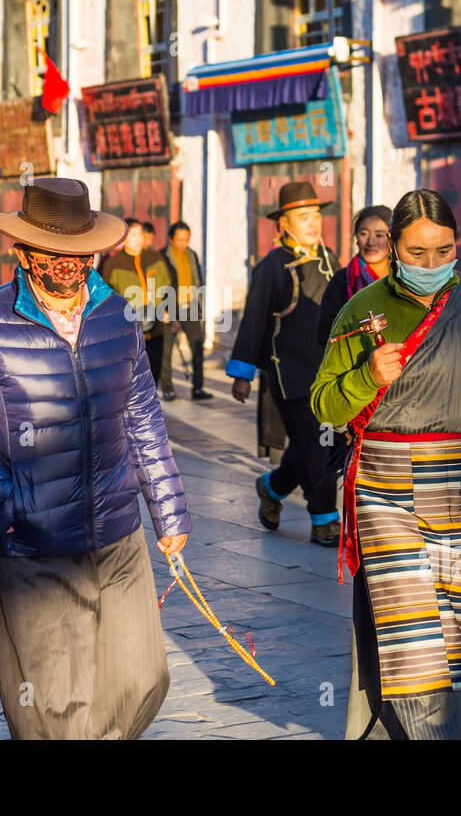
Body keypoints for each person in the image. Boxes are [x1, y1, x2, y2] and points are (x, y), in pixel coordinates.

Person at [0, 177, 190, 740]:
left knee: (142, 679)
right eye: (53, 252)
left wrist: (168, 510)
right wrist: (7, 506)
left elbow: (142, 414)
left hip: (117, 534)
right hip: (32, 546)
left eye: (80, 252)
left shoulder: (117, 315)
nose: (68, 264)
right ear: (23, 252)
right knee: (54, 707)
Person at [312, 188, 461, 740]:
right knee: (415, 642)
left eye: (444, 250)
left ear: (458, 243)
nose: (432, 263)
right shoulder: (361, 311)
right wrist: (367, 376)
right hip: (384, 491)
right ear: (393, 246)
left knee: (454, 639)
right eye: (417, 252)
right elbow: (324, 404)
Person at [226, 182, 343, 546]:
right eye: (303, 216)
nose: (313, 223)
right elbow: (254, 320)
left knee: (328, 443)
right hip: (289, 373)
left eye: (316, 215)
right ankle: (324, 519)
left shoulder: (330, 260)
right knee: (317, 444)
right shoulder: (271, 267)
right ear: (284, 223)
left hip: (329, 372)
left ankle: (272, 487)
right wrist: (243, 373)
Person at [101, 218, 172, 390]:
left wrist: (166, 308)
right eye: (133, 235)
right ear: (123, 238)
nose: (138, 239)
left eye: (140, 234)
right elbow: (105, 297)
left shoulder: (155, 258)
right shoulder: (113, 265)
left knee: (154, 370)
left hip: (156, 326)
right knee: (129, 375)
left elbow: (167, 286)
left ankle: (150, 401)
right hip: (127, 328)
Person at [316, 205, 393, 347]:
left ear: (391, 239)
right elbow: (324, 333)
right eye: (364, 233)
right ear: (356, 237)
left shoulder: (401, 278)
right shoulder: (342, 281)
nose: (371, 242)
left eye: (379, 235)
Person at [159, 221, 212, 401]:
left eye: (186, 239)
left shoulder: (192, 255)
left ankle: (198, 388)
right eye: (180, 239)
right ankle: (168, 389)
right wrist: (166, 311)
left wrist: (200, 311)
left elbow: (198, 281)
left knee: (197, 347)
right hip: (169, 308)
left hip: (190, 307)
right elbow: (160, 286)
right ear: (171, 239)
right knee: (166, 352)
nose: (184, 243)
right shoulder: (162, 257)